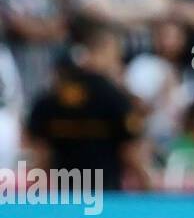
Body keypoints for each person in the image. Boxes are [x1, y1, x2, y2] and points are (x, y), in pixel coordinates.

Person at [26, 19, 151, 191]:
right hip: (106, 195)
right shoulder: (115, 98)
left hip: (65, 195)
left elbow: (41, 155)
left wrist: (31, 196)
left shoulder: (51, 98)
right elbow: (130, 152)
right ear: (105, 51)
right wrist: (149, 189)